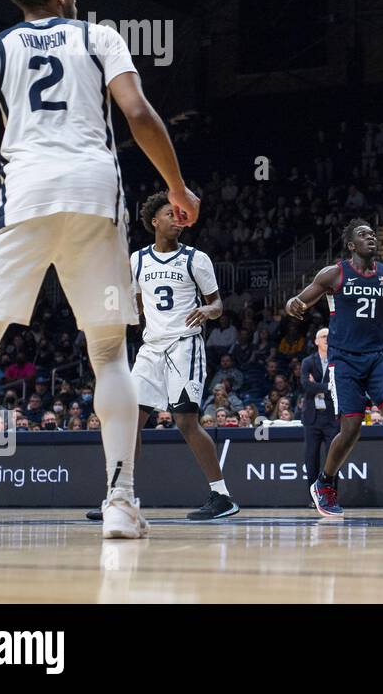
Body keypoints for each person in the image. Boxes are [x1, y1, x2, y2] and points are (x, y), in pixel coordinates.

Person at [0, 0, 199, 541]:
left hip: (27, 193)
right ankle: (120, 503)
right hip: (97, 191)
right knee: (109, 353)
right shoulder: (100, 38)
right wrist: (176, 185)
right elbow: (139, 114)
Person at [88, 191, 235, 523]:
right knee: (127, 423)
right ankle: (120, 496)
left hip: (185, 345)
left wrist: (206, 310)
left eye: (181, 215)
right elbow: (138, 306)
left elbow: (217, 304)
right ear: (154, 221)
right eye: (171, 214)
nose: (177, 219)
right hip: (151, 348)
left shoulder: (196, 259)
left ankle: (222, 496)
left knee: (185, 421)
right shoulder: (137, 260)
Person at [286, 219, 383, 519]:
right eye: (363, 235)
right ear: (351, 245)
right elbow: (301, 299)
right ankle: (325, 483)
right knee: (352, 428)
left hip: (378, 357)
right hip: (343, 360)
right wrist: (294, 303)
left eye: (372, 234)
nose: (370, 237)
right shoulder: (334, 274)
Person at [299, 327, 339, 488]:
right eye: (323, 336)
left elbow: (339, 385)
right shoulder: (308, 361)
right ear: (316, 341)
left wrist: (316, 385)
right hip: (312, 417)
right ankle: (312, 495)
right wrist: (328, 387)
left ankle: (331, 494)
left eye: (329, 336)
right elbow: (305, 385)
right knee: (311, 458)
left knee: (334, 457)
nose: (326, 339)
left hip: (331, 417)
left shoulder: (337, 361)